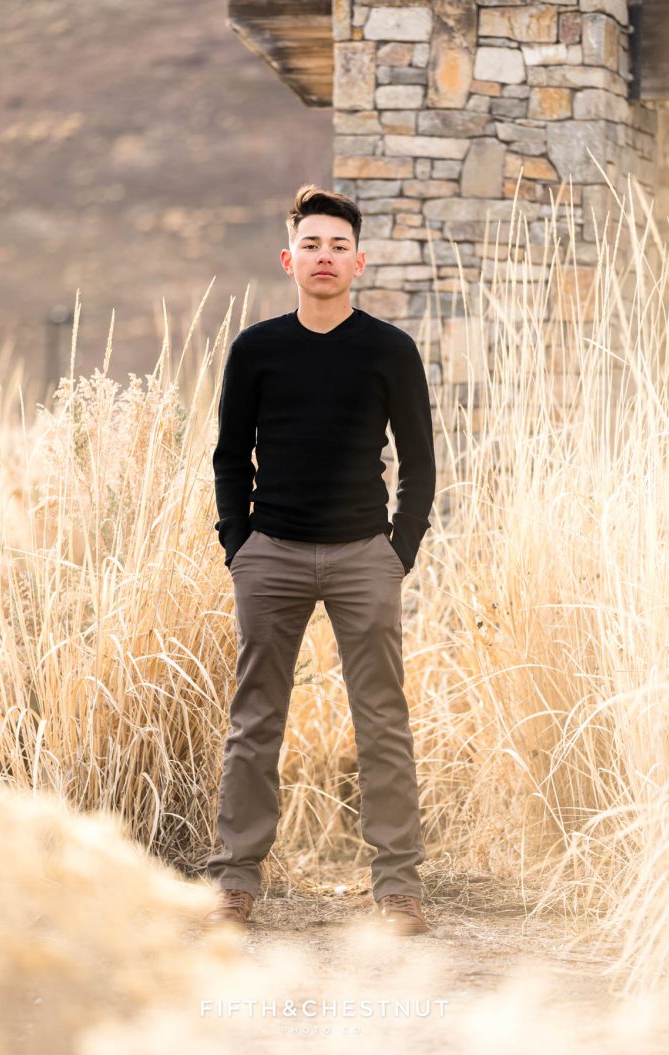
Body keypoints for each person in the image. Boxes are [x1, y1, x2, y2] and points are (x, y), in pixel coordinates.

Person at [205, 184, 436, 937]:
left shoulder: (389, 350)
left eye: (338, 245)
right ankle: (234, 882)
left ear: (358, 262)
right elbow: (228, 455)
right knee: (254, 721)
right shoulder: (257, 349)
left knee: (382, 721)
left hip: (362, 554)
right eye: (311, 244)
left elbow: (420, 464)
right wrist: (238, 544)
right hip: (268, 553)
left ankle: (397, 887)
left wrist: (397, 549)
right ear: (288, 259)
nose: (324, 256)